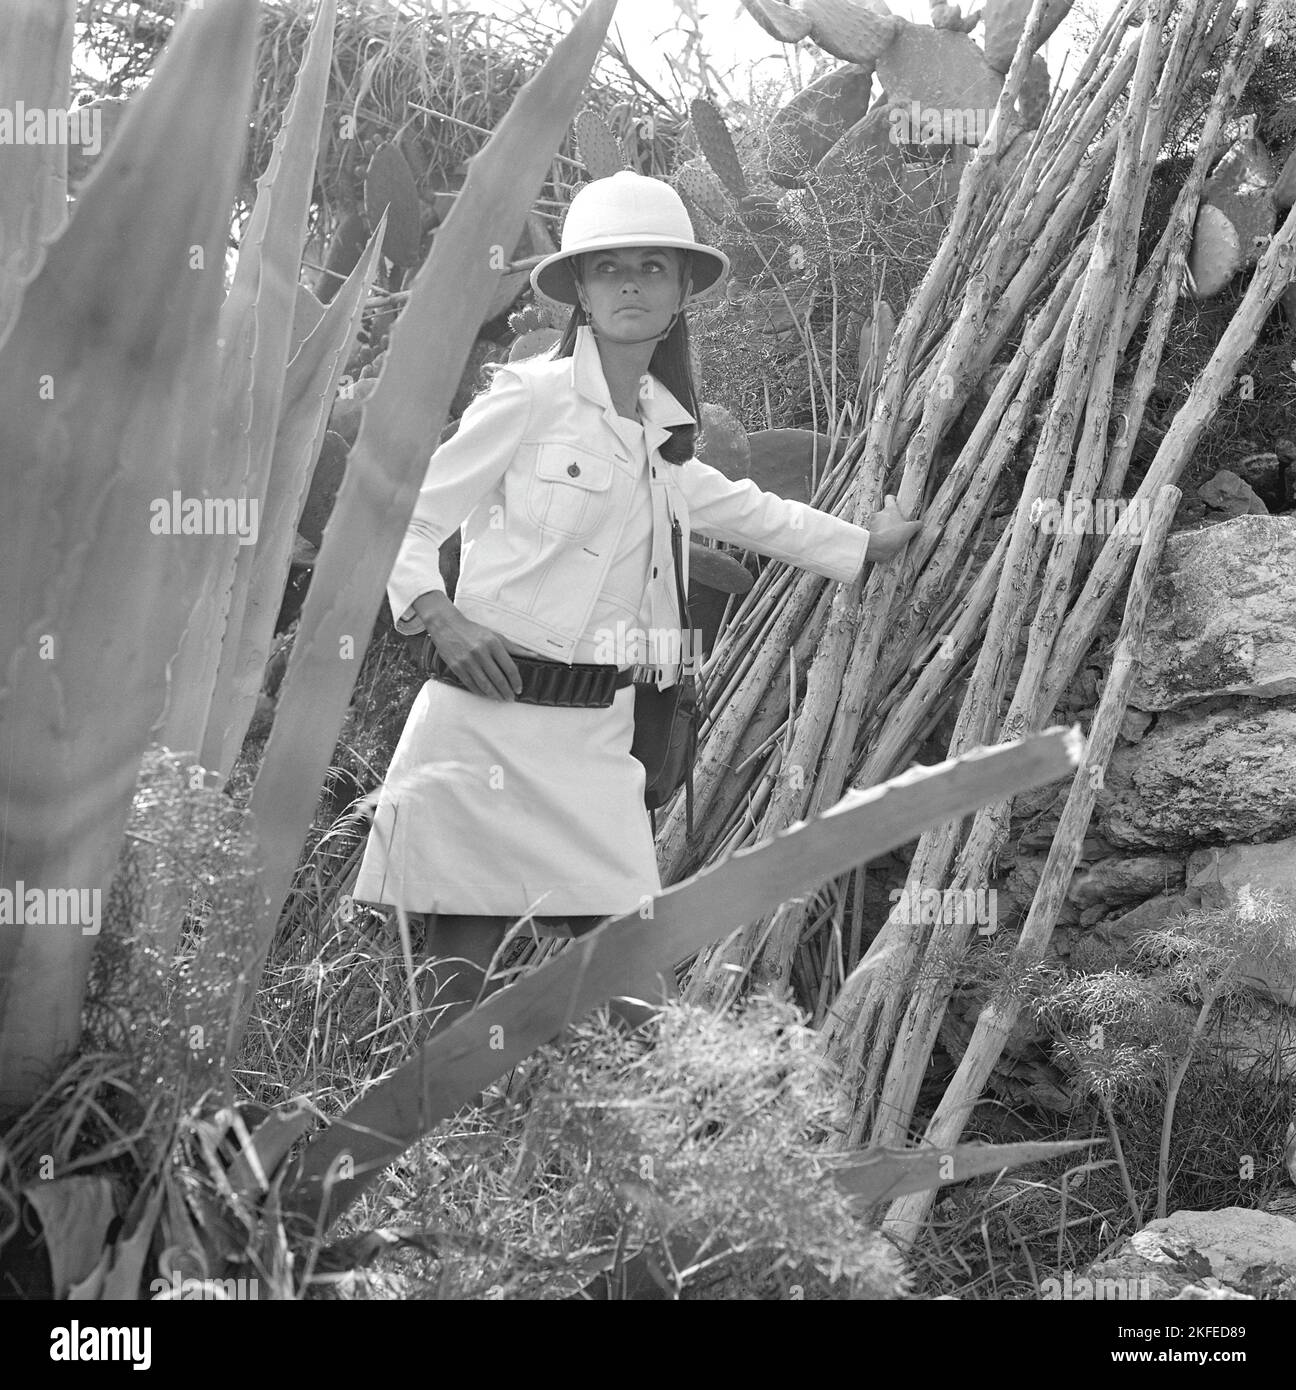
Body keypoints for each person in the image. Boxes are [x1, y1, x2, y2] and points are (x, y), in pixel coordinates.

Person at [353, 170, 921, 1030]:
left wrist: (858, 543)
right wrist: (442, 615)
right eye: (609, 267)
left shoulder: (662, 433)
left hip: (594, 740)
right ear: (579, 287)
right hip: (487, 722)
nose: (629, 283)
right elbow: (406, 517)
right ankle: (436, 1147)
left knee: (629, 983)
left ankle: (636, 1150)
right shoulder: (528, 400)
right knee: (456, 974)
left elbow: (743, 508)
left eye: (652, 267)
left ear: (682, 290)